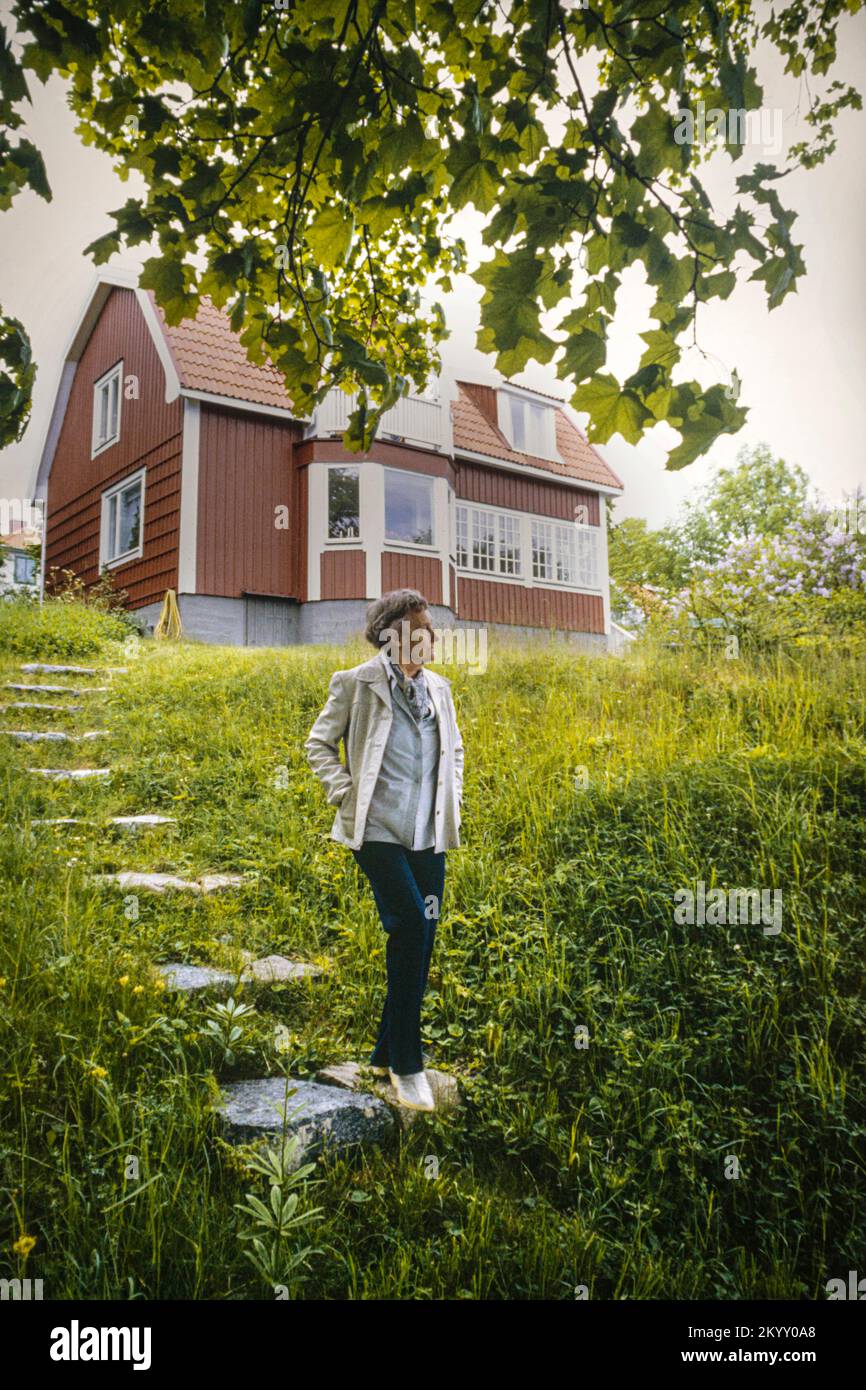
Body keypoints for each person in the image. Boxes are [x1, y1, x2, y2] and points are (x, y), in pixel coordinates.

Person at [304, 589, 464, 1112]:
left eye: (432, 627)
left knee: (424, 939)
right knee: (410, 927)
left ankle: (381, 1051)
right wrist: (344, 792)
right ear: (393, 635)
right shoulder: (356, 682)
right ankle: (406, 1063)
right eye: (421, 627)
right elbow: (318, 744)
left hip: (428, 834)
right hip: (375, 831)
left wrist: (452, 794)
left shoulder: (440, 688)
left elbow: (454, 749)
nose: (433, 636)